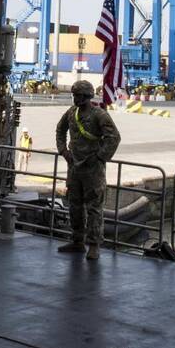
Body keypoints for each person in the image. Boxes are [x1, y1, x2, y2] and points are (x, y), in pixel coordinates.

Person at [54, 79, 121, 260]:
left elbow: (114, 137)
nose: (75, 98)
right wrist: (63, 151)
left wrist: (100, 157)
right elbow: (60, 130)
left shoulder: (99, 115)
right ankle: (77, 241)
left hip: (93, 170)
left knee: (94, 209)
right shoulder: (71, 113)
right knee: (74, 205)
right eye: (74, 95)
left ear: (87, 96)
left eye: (79, 95)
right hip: (74, 168)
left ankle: (94, 245)